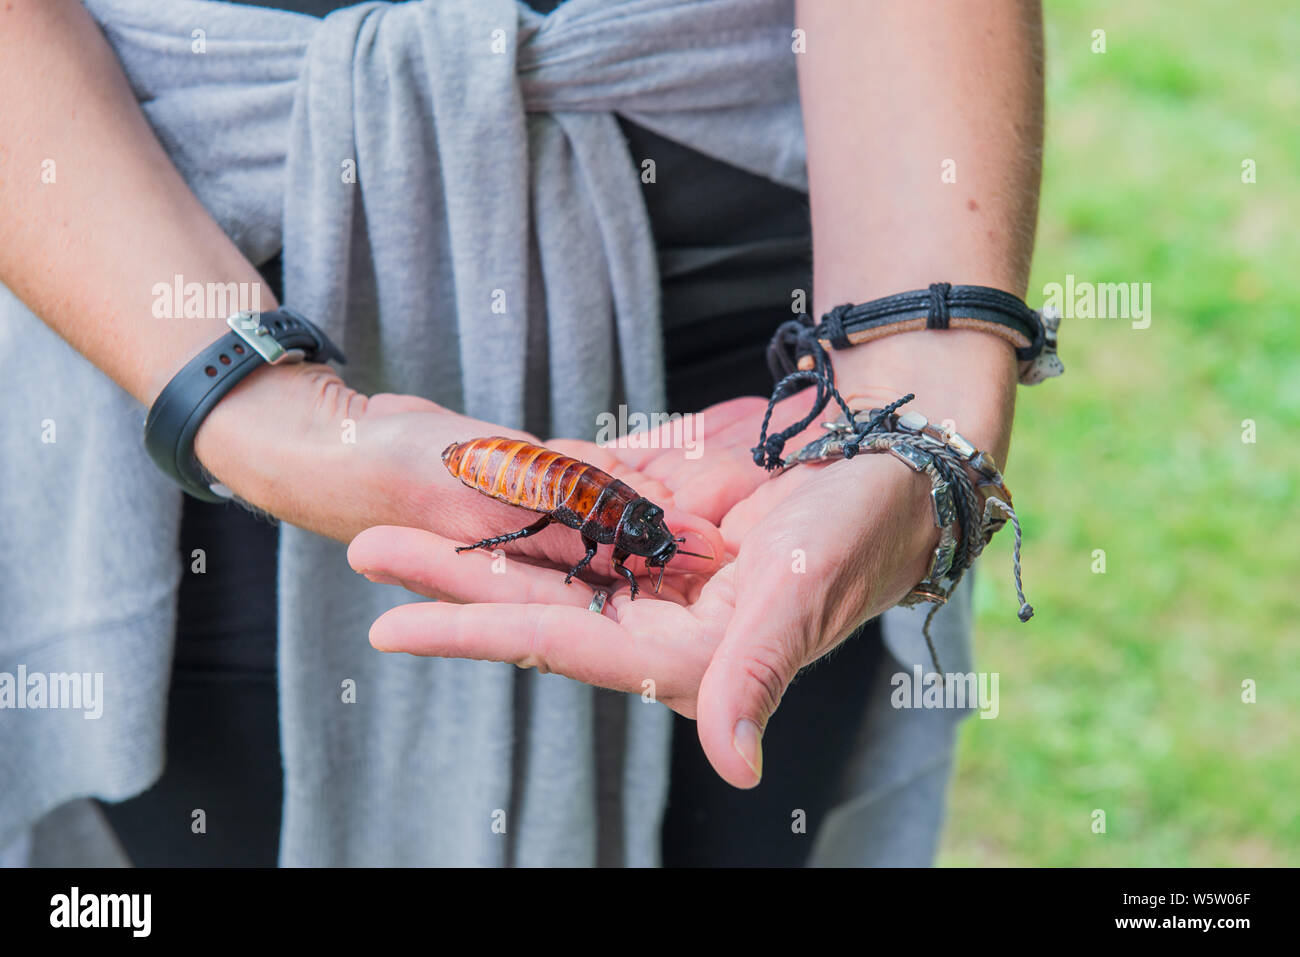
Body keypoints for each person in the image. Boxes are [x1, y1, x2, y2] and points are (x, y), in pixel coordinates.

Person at [0, 0, 1043, 866]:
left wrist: (915, 387)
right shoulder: (625, 532)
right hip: (157, 297)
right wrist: (258, 417)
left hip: (775, 370)